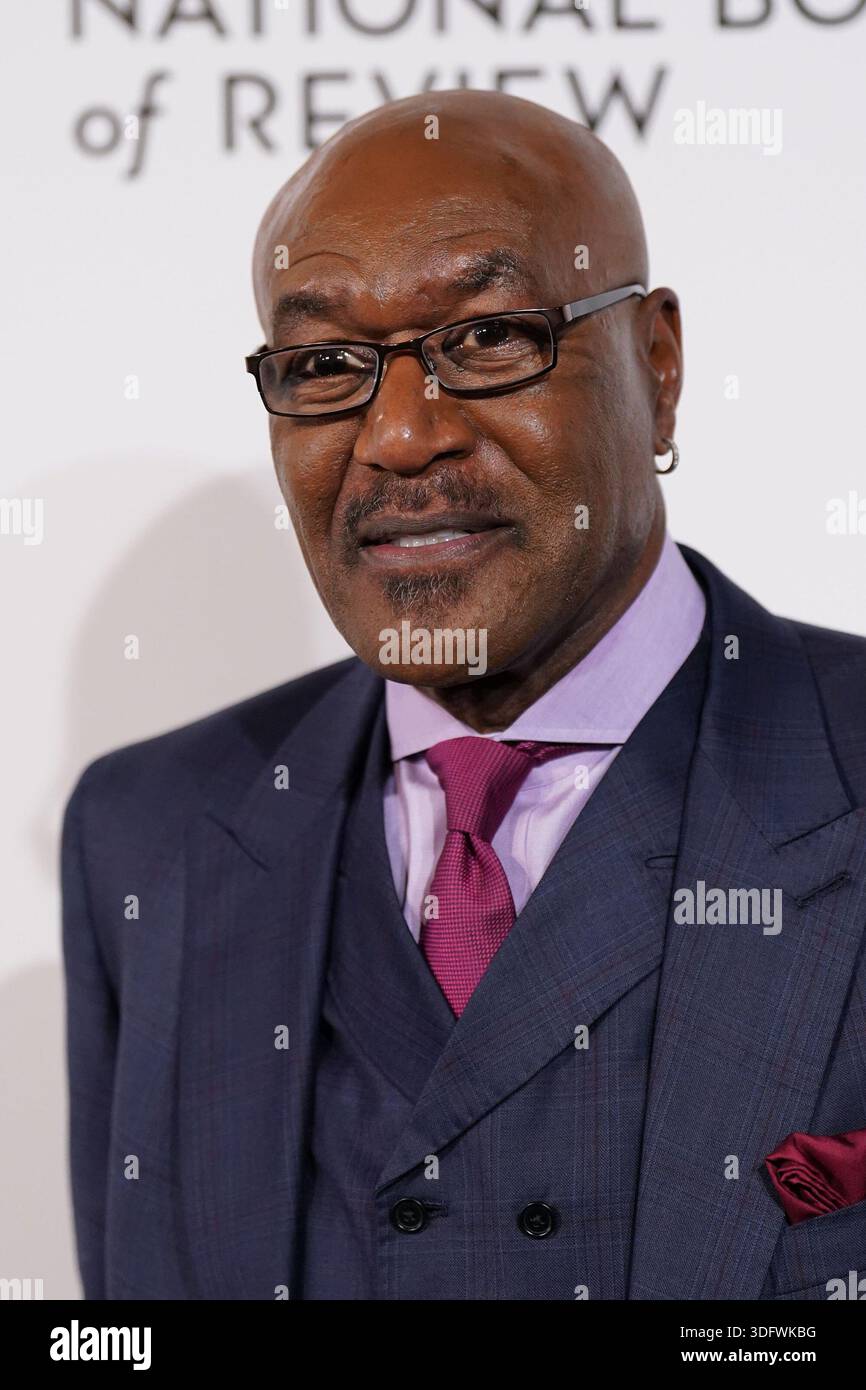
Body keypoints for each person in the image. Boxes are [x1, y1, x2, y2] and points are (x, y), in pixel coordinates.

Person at [62, 90, 866, 1302]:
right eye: (325, 363)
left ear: (657, 365)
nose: (396, 436)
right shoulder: (150, 837)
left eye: (486, 340)